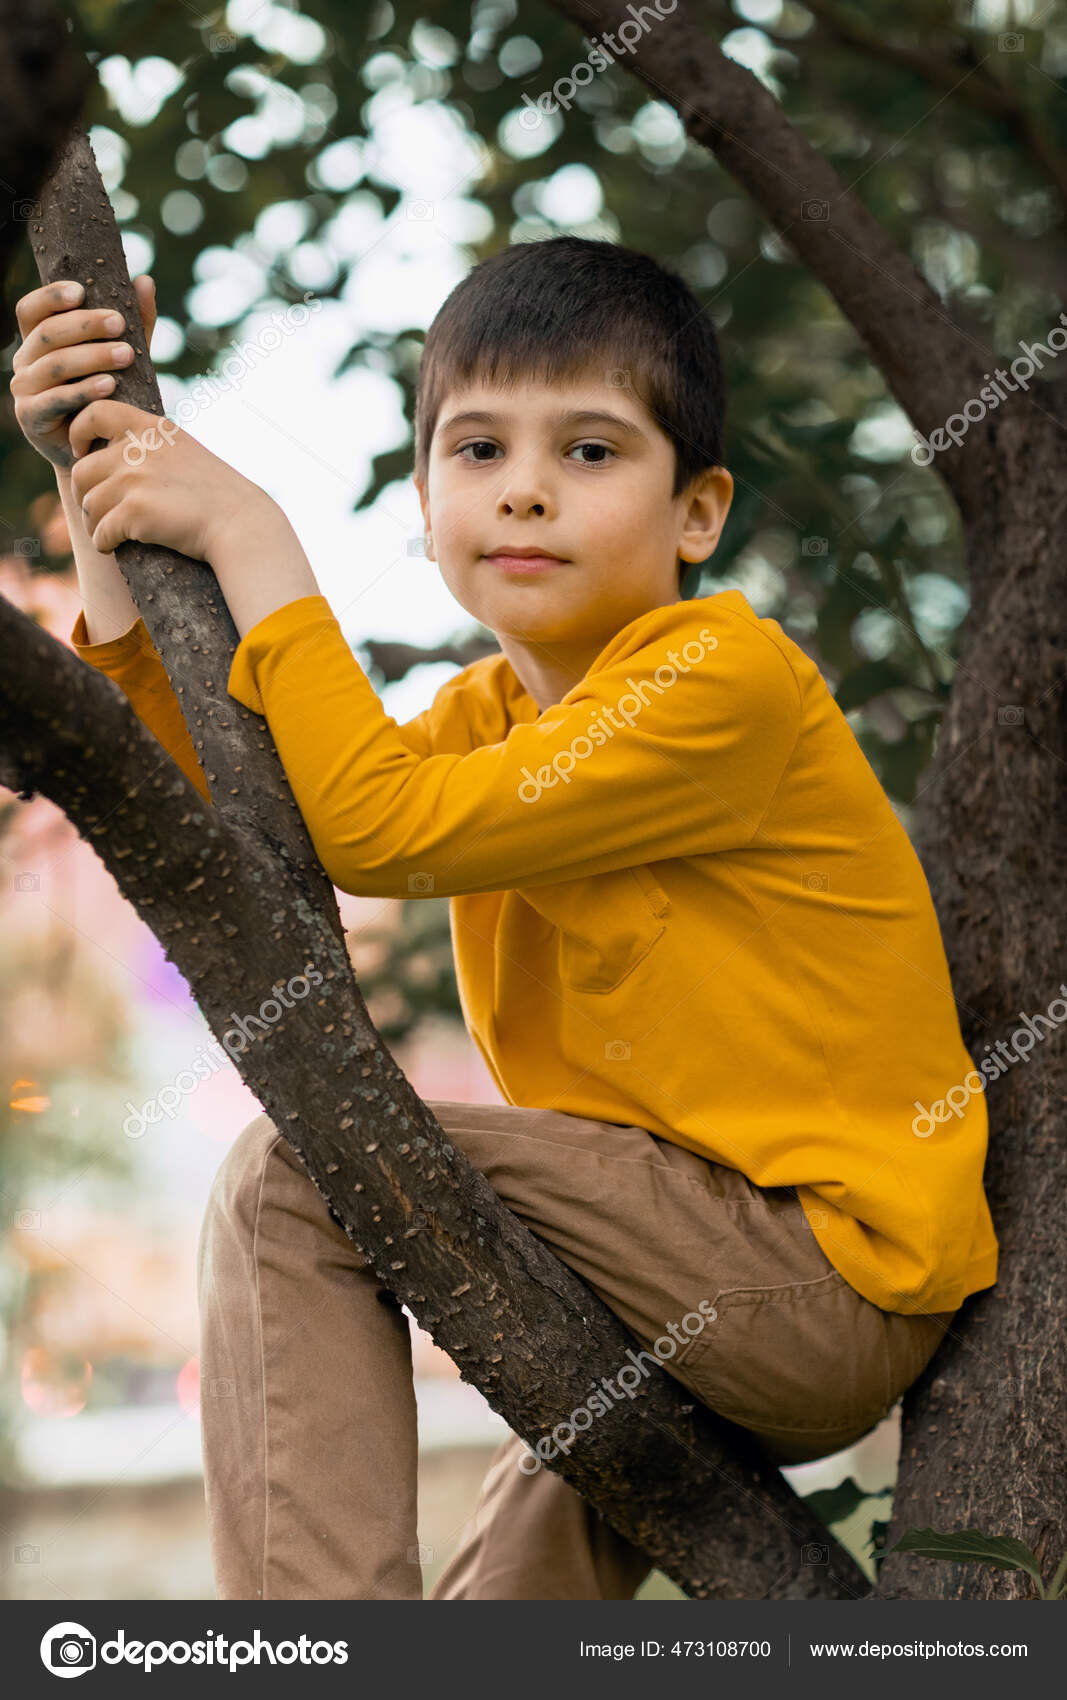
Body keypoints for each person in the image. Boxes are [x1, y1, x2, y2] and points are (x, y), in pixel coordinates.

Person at [11, 237, 997, 1601]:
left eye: (590, 451)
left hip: (811, 1271)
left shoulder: (722, 678)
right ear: (426, 504)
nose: (526, 488)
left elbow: (379, 829)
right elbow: (242, 820)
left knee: (297, 1175)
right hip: (646, 1276)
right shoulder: (483, 720)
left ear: (698, 512)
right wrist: (95, 480)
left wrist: (251, 535)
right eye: (479, 450)